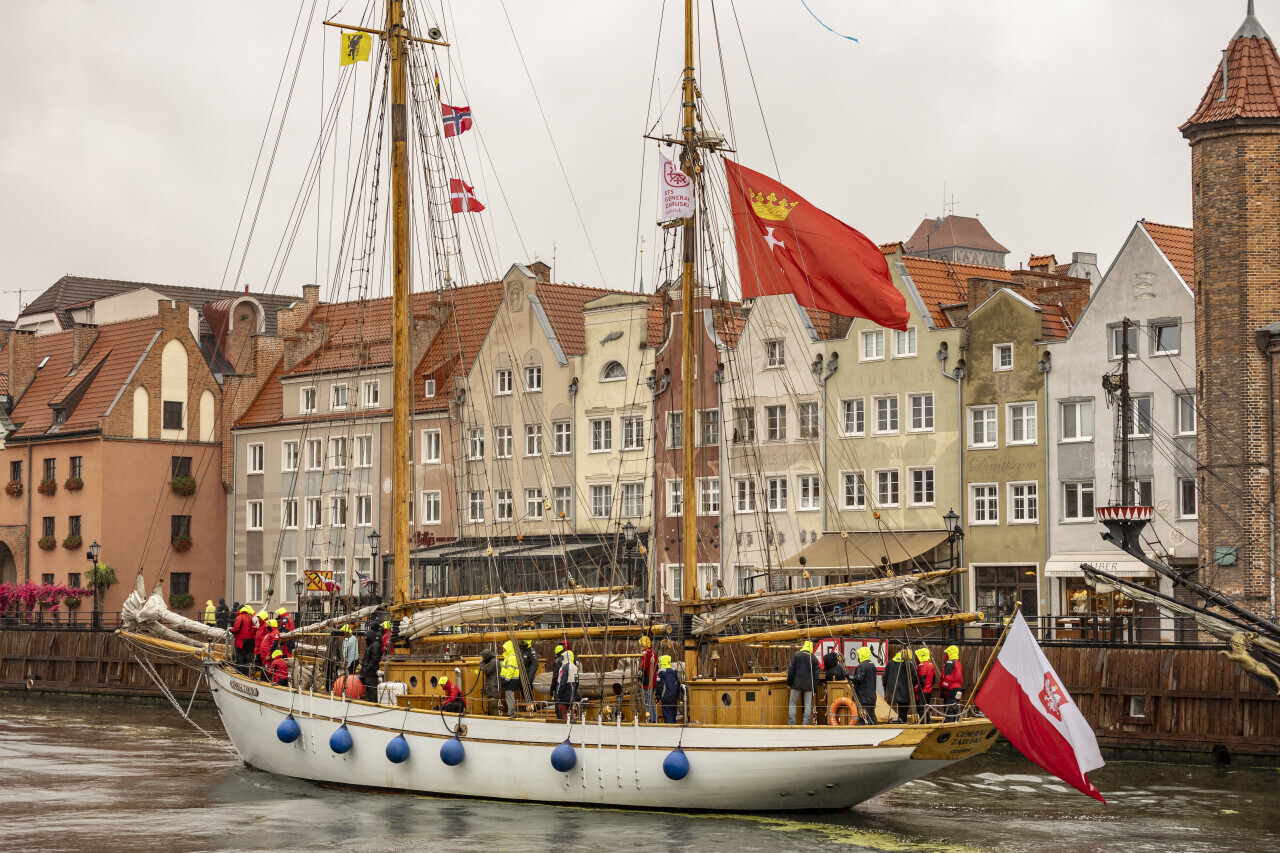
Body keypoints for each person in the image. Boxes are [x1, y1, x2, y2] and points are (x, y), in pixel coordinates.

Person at [786, 640, 819, 726]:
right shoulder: (814, 658)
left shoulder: (797, 655)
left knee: (793, 703)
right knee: (808, 704)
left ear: (804, 645)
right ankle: (806, 724)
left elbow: (791, 670)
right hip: (809, 685)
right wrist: (814, 689)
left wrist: (789, 683)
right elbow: (816, 676)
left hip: (796, 683)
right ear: (812, 647)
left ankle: (792, 723)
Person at [885, 650, 916, 722]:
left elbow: (884, 676)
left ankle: (890, 721)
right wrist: (911, 687)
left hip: (891, 690)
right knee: (903, 709)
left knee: (890, 707)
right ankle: (902, 722)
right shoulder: (909, 664)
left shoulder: (890, 663)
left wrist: (886, 687)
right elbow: (914, 678)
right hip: (904, 691)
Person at [850, 646, 878, 725]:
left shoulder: (862, 666)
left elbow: (858, 679)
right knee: (871, 715)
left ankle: (863, 731)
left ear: (862, 655)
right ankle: (877, 730)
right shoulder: (872, 665)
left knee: (863, 715)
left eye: (859, 654)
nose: (858, 656)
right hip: (871, 695)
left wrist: (848, 675)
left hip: (863, 696)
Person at [360, 624, 383, 702]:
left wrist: (368, 667)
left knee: (372, 688)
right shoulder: (370, 645)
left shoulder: (375, 645)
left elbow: (374, 658)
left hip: (371, 672)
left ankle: (373, 702)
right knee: (369, 689)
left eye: (367, 637)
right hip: (368, 672)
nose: (365, 638)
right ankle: (370, 701)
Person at [655, 654, 681, 724]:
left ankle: (669, 731)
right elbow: (678, 684)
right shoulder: (674, 671)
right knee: (673, 715)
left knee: (667, 715)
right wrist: (677, 696)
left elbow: (659, 685)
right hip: (674, 698)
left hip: (666, 698)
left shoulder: (660, 672)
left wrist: (657, 696)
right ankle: (674, 730)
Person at [941, 644, 964, 722]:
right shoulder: (958, 663)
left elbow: (948, 676)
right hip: (957, 687)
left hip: (950, 688)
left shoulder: (950, 663)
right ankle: (956, 721)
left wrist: (943, 688)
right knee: (955, 707)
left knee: (949, 708)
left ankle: (949, 722)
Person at [555, 649, 580, 720]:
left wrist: (559, 695)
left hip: (564, 694)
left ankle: (565, 727)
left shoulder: (564, 667)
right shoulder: (575, 667)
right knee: (572, 712)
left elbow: (562, 682)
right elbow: (577, 682)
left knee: (564, 711)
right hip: (573, 694)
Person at [230, 605, 255, 674]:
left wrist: (231, 630)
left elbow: (236, 629)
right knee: (247, 657)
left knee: (240, 657)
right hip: (249, 640)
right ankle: (246, 673)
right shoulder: (250, 617)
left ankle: (240, 672)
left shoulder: (240, 617)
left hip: (241, 640)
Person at [638, 635, 657, 722]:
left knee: (647, 703)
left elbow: (643, 667)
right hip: (653, 681)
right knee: (651, 702)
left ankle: (650, 721)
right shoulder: (653, 652)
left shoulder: (645, 653)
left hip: (646, 682)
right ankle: (654, 720)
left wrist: (640, 680)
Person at [499, 639, 521, 716]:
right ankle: (511, 712)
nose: (503, 649)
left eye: (505, 648)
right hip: (511, 679)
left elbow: (511, 669)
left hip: (510, 680)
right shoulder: (509, 657)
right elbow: (506, 667)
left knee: (509, 697)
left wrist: (507, 679)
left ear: (509, 648)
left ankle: (511, 713)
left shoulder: (511, 657)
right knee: (509, 696)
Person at [915, 648, 937, 721]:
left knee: (921, 709)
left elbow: (922, 680)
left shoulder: (922, 665)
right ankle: (928, 721)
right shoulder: (931, 665)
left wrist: (917, 690)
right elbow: (934, 680)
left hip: (923, 691)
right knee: (926, 708)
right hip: (929, 691)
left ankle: (923, 723)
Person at [479, 648, 500, 715]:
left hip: (493, 688)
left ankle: (495, 720)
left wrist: (482, 664)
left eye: (483, 657)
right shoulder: (495, 661)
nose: (482, 658)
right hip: (493, 687)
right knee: (491, 706)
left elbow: (487, 671)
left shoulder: (493, 662)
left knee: (493, 707)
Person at [549, 643, 567, 717]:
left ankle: (559, 721)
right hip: (568, 686)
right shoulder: (570, 659)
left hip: (559, 685)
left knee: (558, 707)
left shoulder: (558, 661)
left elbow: (555, 676)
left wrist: (552, 688)